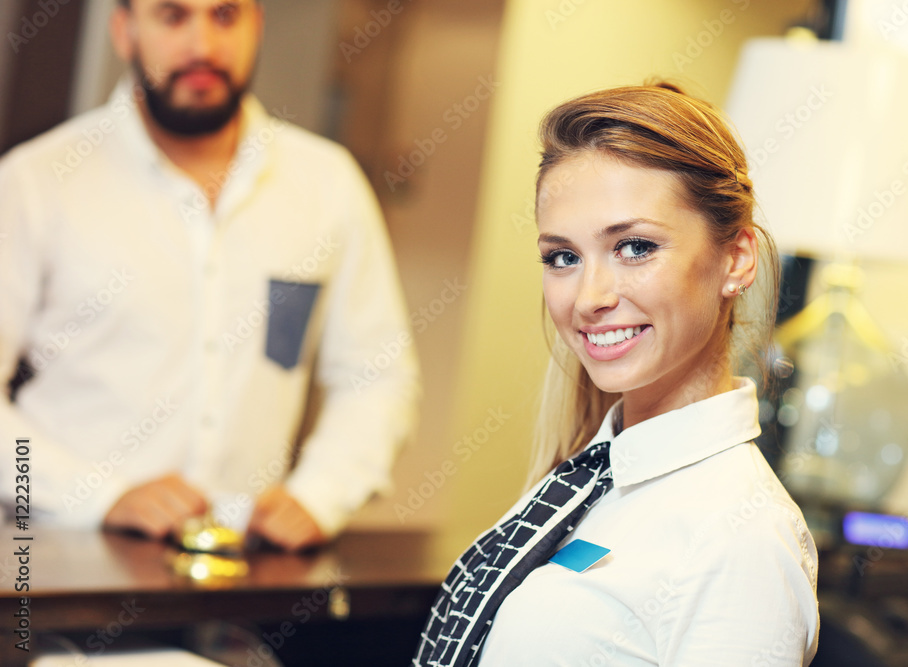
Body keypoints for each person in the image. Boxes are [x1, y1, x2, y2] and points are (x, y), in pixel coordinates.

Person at [413, 83, 818, 665]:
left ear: (737, 258)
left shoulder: (743, 541)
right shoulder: (587, 478)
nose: (588, 298)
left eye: (634, 247)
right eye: (563, 257)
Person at [0, 0, 419, 551]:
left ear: (256, 26)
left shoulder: (327, 185)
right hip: (63, 563)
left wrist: (321, 494)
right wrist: (98, 496)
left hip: (248, 571)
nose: (201, 45)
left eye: (224, 16)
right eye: (173, 17)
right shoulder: (37, 180)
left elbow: (377, 374)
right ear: (125, 32)